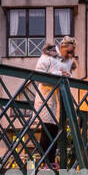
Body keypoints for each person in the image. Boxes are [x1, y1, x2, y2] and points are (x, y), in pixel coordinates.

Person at [32, 38, 77, 166]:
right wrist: (59, 74)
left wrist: (69, 76)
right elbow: (38, 76)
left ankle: (50, 161)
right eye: (68, 52)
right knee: (47, 130)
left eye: (72, 53)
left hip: (59, 101)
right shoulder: (47, 56)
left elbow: (68, 78)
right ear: (62, 47)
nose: (70, 56)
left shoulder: (68, 62)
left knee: (55, 131)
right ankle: (46, 162)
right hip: (46, 99)